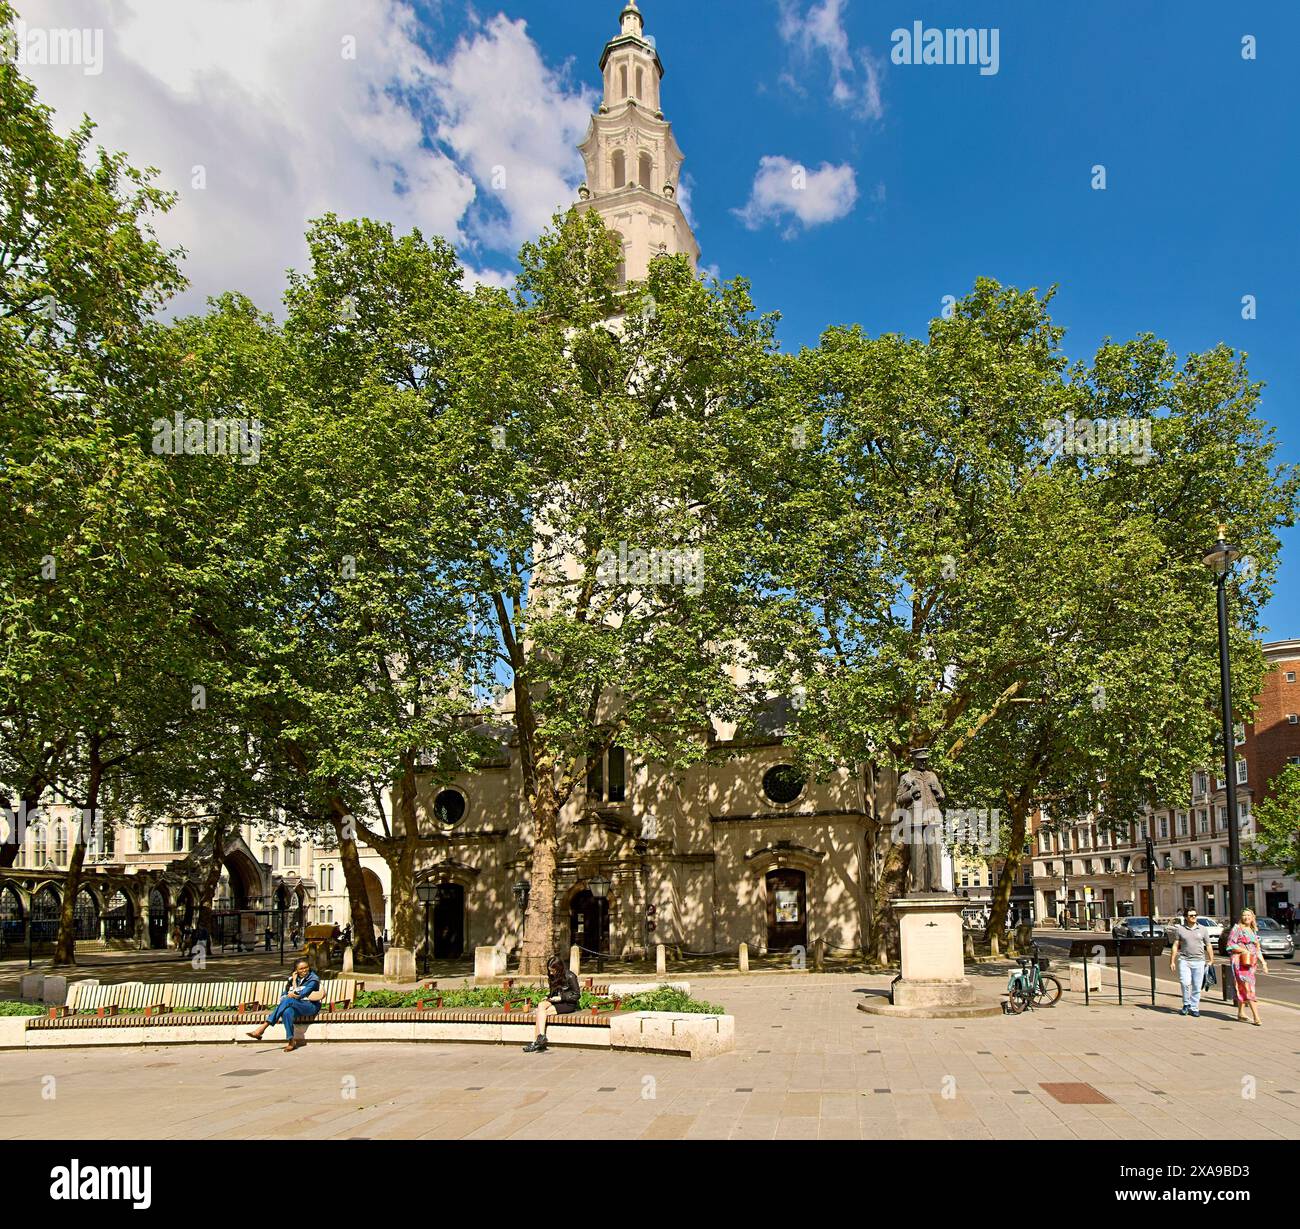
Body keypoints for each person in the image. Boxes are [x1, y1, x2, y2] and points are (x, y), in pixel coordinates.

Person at [245, 959, 322, 1051]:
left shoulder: (313, 979)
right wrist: (292, 983)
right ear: (296, 970)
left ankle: (263, 1027)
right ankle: (291, 1040)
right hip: (296, 1006)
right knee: (286, 1012)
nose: (304, 970)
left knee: (289, 1000)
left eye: (306, 967)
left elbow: (300, 994)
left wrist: (293, 984)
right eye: (301, 969)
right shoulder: (292, 979)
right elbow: (284, 995)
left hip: (311, 1006)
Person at [523, 956, 582, 1054]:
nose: (551, 973)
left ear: (559, 968)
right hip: (556, 1000)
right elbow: (554, 992)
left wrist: (561, 998)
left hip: (568, 1003)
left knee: (540, 1013)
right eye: (549, 971)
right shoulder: (552, 976)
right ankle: (541, 1037)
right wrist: (548, 997)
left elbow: (577, 995)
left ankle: (536, 1042)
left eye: (553, 971)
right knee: (541, 1005)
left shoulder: (570, 976)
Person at [1224, 908, 1268, 1026]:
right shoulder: (1237, 928)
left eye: (1248, 915)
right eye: (1244, 915)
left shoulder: (1253, 930)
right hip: (1240, 962)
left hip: (1250, 963)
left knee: (1243, 987)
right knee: (1248, 988)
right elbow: (1230, 945)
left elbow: (1257, 949)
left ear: (1253, 917)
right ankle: (1256, 1017)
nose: (1246, 917)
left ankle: (1240, 1013)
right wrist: (1244, 951)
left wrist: (1263, 963)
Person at [1168, 906, 1211, 1018]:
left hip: (1199, 961)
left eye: (1195, 915)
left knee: (1197, 986)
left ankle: (1194, 1007)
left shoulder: (1202, 929)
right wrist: (1172, 961)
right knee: (1185, 982)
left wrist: (1211, 959)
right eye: (1191, 915)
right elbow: (1176, 945)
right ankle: (1186, 1004)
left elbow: (1208, 945)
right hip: (1184, 960)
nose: (1193, 917)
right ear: (1186, 917)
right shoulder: (1180, 929)